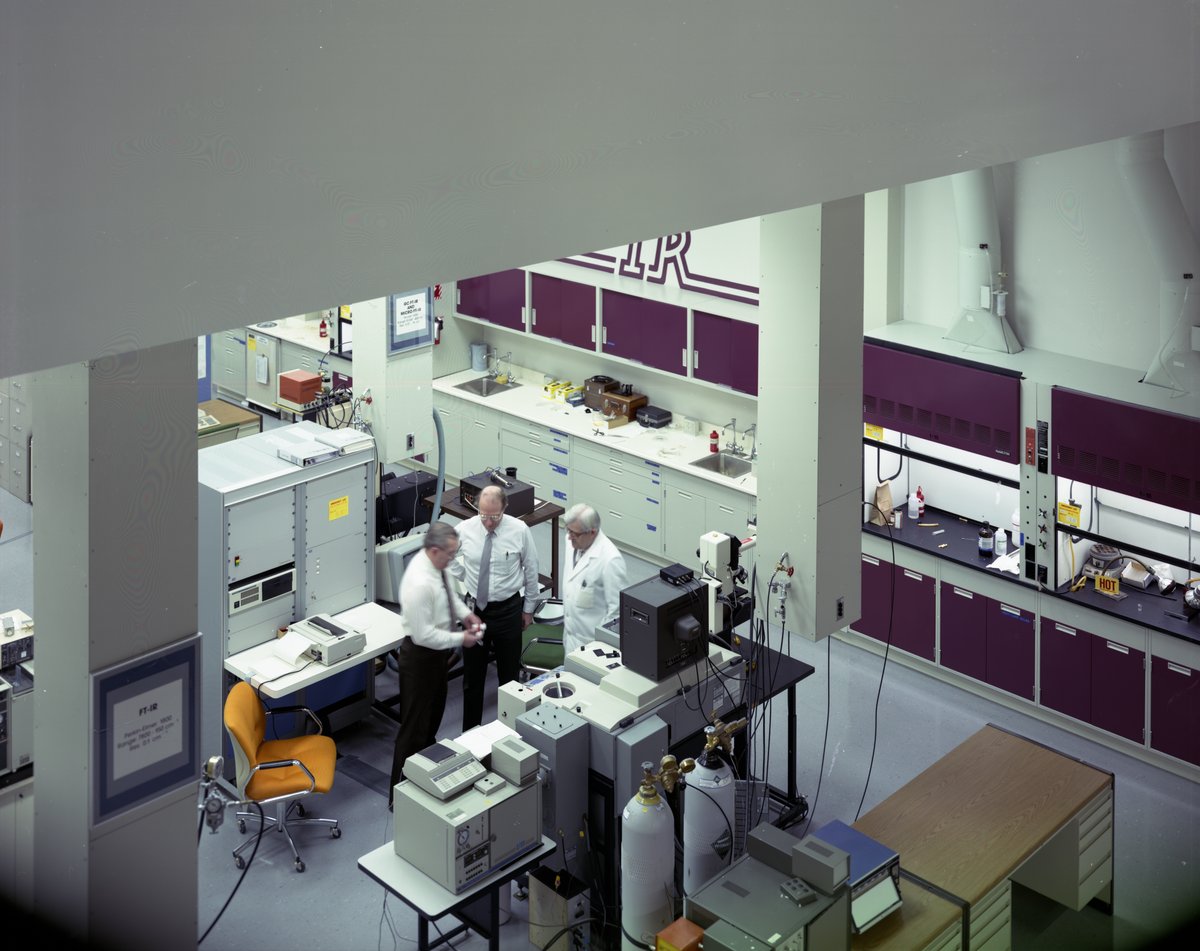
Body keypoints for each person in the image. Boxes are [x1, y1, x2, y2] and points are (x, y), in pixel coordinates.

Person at [389, 521, 482, 807]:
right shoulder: (418, 583)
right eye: (450, 554)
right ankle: (398, 794)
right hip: (420, 658)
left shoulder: (436, 566)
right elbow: (424, 635)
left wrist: (466, 614)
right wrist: (461, 638)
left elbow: (450, 594)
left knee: (431, 723)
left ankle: (422, 781)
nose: (453, 559)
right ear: (433, 550)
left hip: (436, 658)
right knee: (413, 728)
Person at [450, 484, 539, 731]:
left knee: (509, 681)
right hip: (475, 612)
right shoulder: (464, 530)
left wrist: (529, 608)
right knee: (473, 679)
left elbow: (531, 569)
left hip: (508, 610)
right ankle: (470, 734)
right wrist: (464, 573)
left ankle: (507, 736)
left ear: (505, 509)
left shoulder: (519, 530)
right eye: (484, 516)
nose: (489, 523)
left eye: (495, 517)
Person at [561, 503, 628, 655]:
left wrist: (601, 643)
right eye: (568, 530)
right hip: (570, 636)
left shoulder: (610, 560)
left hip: (592, 645)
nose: (569, 537)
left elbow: (617, 612)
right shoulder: (572, 540)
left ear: (592, 532)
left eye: (575, 533)